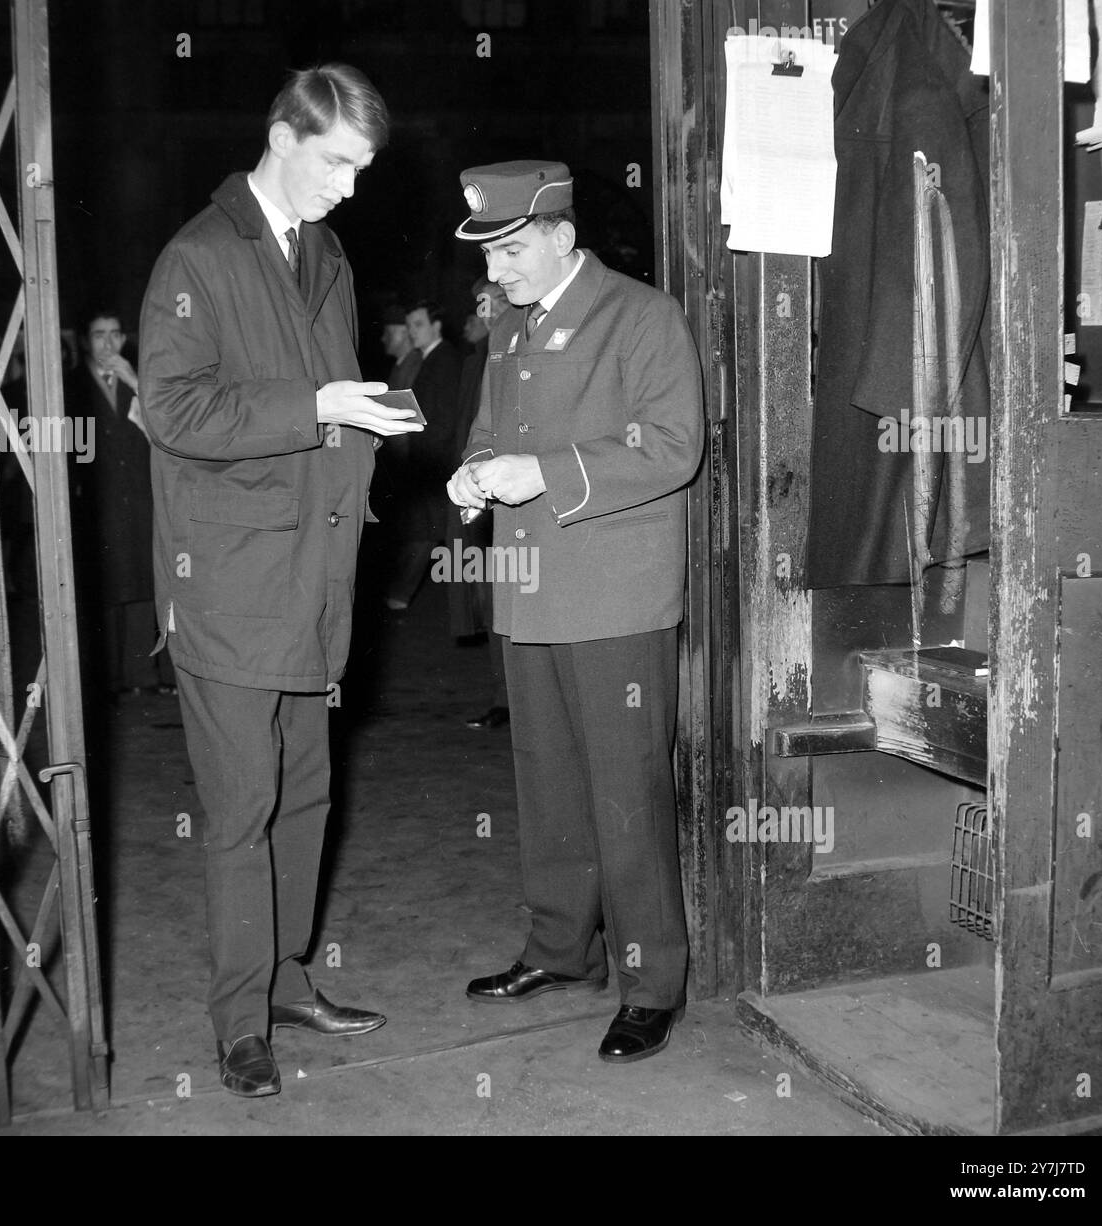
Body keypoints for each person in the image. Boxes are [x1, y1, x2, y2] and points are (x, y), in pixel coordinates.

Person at [138, 63, 421, 1099]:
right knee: (241, 805)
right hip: (230, 584)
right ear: (282, 135)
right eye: (339, 162)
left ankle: (289, 974)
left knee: (306, 791)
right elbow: (174, 410)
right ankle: (238, 1018)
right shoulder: (199, 256)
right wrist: (317, 408)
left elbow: (328, 399)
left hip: (314, 573)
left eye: (362, 168)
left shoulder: (329, 256)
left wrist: (367, 428)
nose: (350, 187)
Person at [447, 161, 705, 1063]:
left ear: (563, 236)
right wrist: (476, 473)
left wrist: (545, 476)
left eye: (512, 251)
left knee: (624, 793)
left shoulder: (642, 316)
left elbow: (675, 448)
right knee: (547, 782)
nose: (498, 273)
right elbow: (492, 429)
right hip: (530, 587)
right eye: (489, 257)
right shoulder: (510, 328)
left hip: (615, 593)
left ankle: (652, 983)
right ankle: (562, 952)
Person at [66, 306, 173, 695]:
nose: (108, 343)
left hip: (140, 499)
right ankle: (105, 679)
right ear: (83, 341)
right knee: (105, 588)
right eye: (99, 334)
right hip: (96, 501)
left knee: (144, 585)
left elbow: (165, 426)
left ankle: (143, 676)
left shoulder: (139, 382)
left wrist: (132, 377)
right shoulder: (71, 386)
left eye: (114, 334)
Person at [449, 276, 509, 726]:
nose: (480, 311)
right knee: (491, 598)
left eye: (486, 301)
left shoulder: (516, 347)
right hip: (479, 493)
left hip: (514, 490)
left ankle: (516, 702)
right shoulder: (477, 359)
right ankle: (502, 698)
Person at [384, 300, 461, 610]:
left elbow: (442, 421)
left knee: (425, 533)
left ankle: (400, 597)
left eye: (418, 325)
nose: (412, 332)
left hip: (434, 463)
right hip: (425, 461)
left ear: (436, 326)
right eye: (410, 325)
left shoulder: (445, 360)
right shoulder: (430, 359)